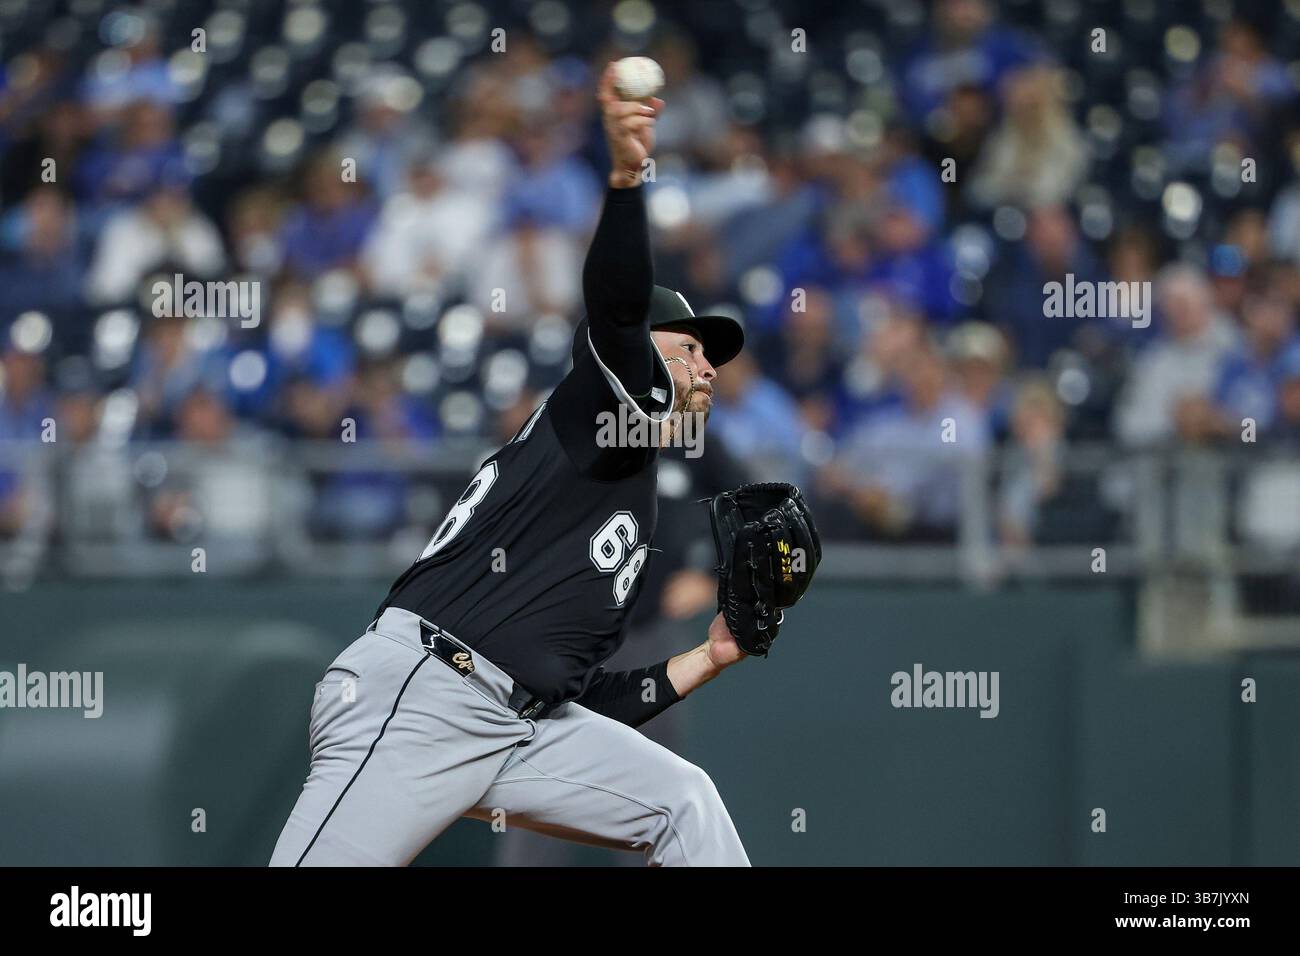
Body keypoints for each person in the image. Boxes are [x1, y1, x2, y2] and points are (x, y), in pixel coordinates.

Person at [271, 64, 757, 867]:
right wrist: (629, 177)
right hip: (420, 693)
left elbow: (585, 692)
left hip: (517, 720)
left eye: (715, 358)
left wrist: (704, 658)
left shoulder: (626, 505)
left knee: (682, 799)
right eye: (691, 348)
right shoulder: (595, 420)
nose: (708, 367)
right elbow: (617, 303)